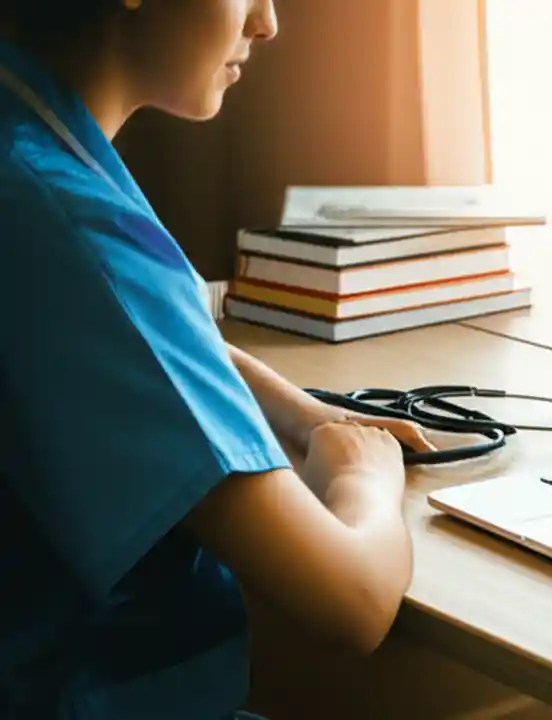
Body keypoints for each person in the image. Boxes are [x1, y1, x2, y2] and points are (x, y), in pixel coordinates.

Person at [0, 1, 435, 717]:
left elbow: (140, 333)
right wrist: (365, 477)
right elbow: (353, 601)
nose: (267, 23)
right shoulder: (74, 222)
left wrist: (305, 415)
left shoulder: (24, 136)